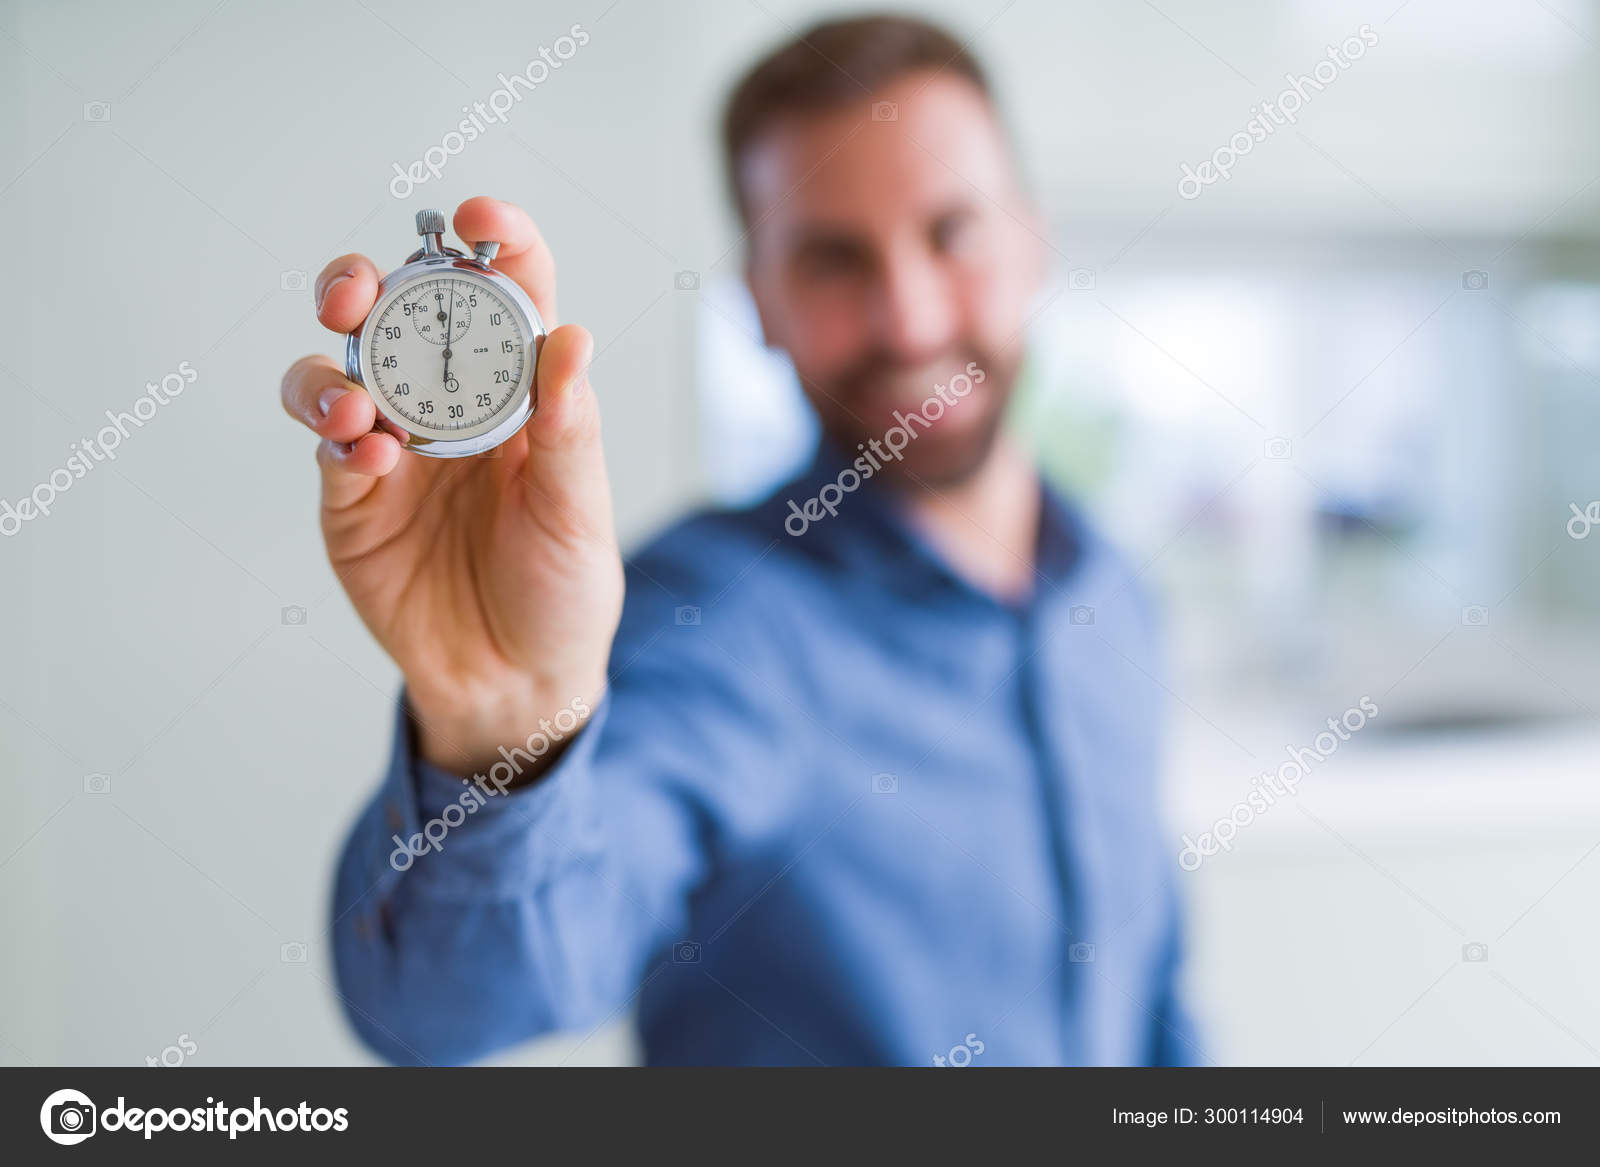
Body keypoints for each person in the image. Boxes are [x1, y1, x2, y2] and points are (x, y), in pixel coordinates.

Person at [281, 13, 1197, 1066]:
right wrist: (500, 718)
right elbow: (440, 1008)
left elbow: (1155, 994)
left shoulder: (1114, 595)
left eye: (952, 232)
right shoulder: (712, 624)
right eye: (831, 258)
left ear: (1033, 243)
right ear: (757, 299)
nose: (908, 318)